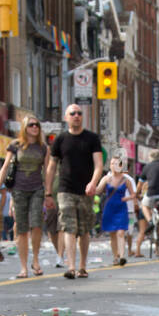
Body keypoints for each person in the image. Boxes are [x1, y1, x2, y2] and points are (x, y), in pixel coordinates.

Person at [45, 104, 102, 279]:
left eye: (79, 113)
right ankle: (70, 266)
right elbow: (52, 166)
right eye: (73, 113)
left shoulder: (91, 138)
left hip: (86, 191)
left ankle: (82, 266)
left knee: (83, 229)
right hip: (65, 189)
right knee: (68, 227)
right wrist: (48, 192)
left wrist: (93, 183)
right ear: (66, 117)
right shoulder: (61, 139)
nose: (76, 116)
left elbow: (99, 164)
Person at [0, 115, 49, 277]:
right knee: (21, 228)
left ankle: (36, 260)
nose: (35, 128)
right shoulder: (15, 145)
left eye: (37, 125)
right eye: (31, 125)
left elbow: (47, 171)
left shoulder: (43, 147)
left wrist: (48, 193)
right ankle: (23, 266)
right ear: (24, 127)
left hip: (37, 189)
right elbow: (5, 167)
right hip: (18, 190)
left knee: (36, 225)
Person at [135, 149, 159, 258]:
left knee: (144, 205)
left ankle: (150, 221)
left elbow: (140, 184)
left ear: (150, 158)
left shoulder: (147, 167)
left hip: (151, 193)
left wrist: (137, 193)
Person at [99, 155, 133, 266]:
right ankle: (115, 257)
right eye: (112, 164)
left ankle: (122, 256)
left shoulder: (125, 180)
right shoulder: (106, 179)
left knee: (121, 232)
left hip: (121, 208)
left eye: (116, 164)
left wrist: (126, 198)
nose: (113, 166)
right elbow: (98, 190)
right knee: (112, 234)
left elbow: (133, 194)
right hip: (109, 209)